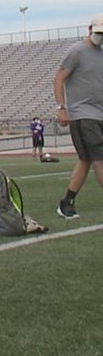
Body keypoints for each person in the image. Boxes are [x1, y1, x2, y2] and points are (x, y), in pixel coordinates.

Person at [54, 14, 103, 219]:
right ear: (89, 29)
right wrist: (61, 108)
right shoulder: (76, 51)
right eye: (98, 32)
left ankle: (66, 202)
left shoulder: (101, 54)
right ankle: (66, 203)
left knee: (85, 160)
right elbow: (59, 78)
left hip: (98, 114)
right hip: (83, 114)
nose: (100, 37)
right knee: (100, 158)